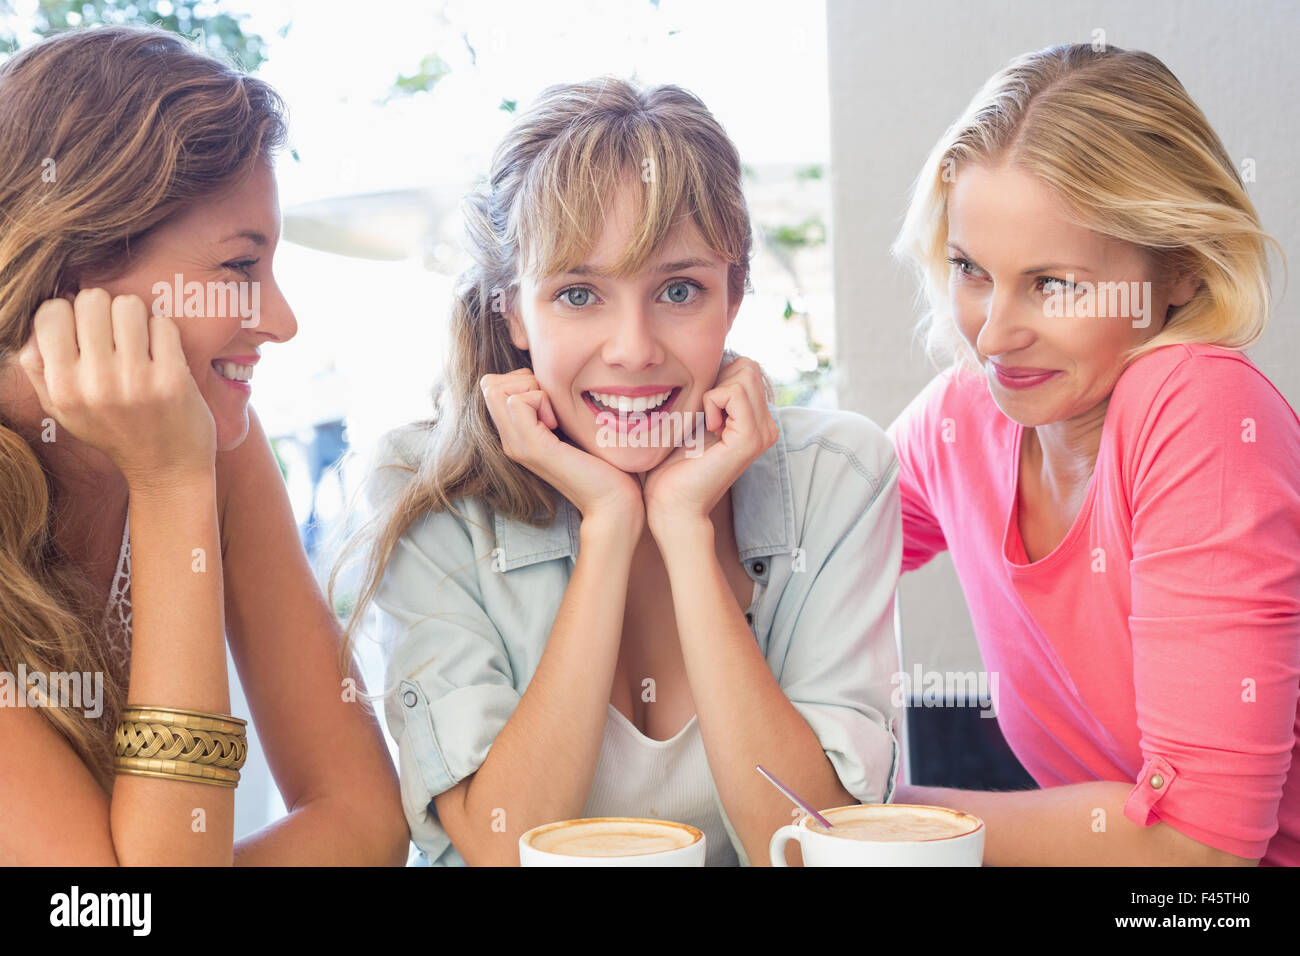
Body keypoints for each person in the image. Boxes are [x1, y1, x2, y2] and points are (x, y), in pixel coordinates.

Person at [337, 77, 902, 866]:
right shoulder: (431, 494)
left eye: (679, 290)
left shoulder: (838, 475)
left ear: (734, 295)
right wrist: (608, 527)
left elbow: (815, 849)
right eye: (578, 294)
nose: (633, 348)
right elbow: (503, 850)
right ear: (512, 311)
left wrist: (681, 528)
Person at [0, 25, 407, 865]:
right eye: (238, 268)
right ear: (74, 272)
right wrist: (171, 487)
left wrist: (176, 476)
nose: (283, 322)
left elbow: (367, 822)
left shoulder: (210, 436)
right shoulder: (188, 455)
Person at [887, 42, 1300, 866]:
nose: (994, 335)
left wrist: (874, 818)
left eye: (1054, 284)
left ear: (1177, 273)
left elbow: (1201, 853)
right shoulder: (967, 416)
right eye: (972, 270)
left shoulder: (1198, 405)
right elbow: (788, 552)